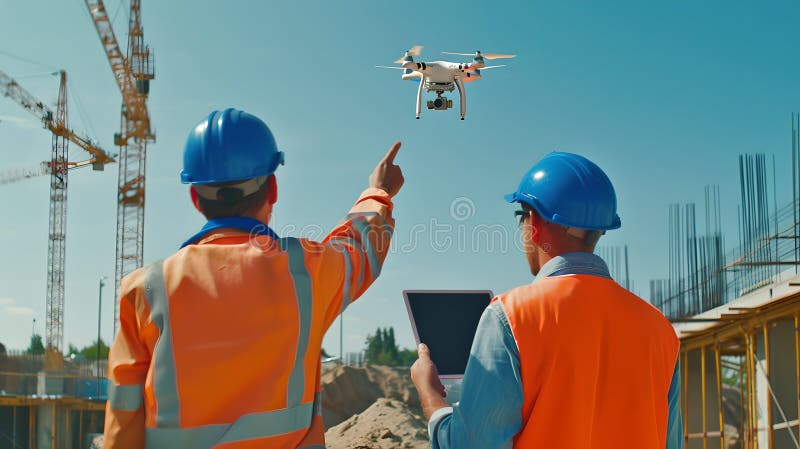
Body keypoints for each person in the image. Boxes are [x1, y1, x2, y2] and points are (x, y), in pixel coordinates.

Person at [103, 108, 404, 448]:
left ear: (194, 196)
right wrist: (378, 192)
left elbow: (123, 419)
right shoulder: (304, 272)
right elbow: (361, 246)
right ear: (272, 188)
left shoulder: (145, 289)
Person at [411, 152, 682, 449]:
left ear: (534, 224)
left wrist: (430, 395)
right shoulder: (659, 330)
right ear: (600, 229)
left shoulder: (511, 317)